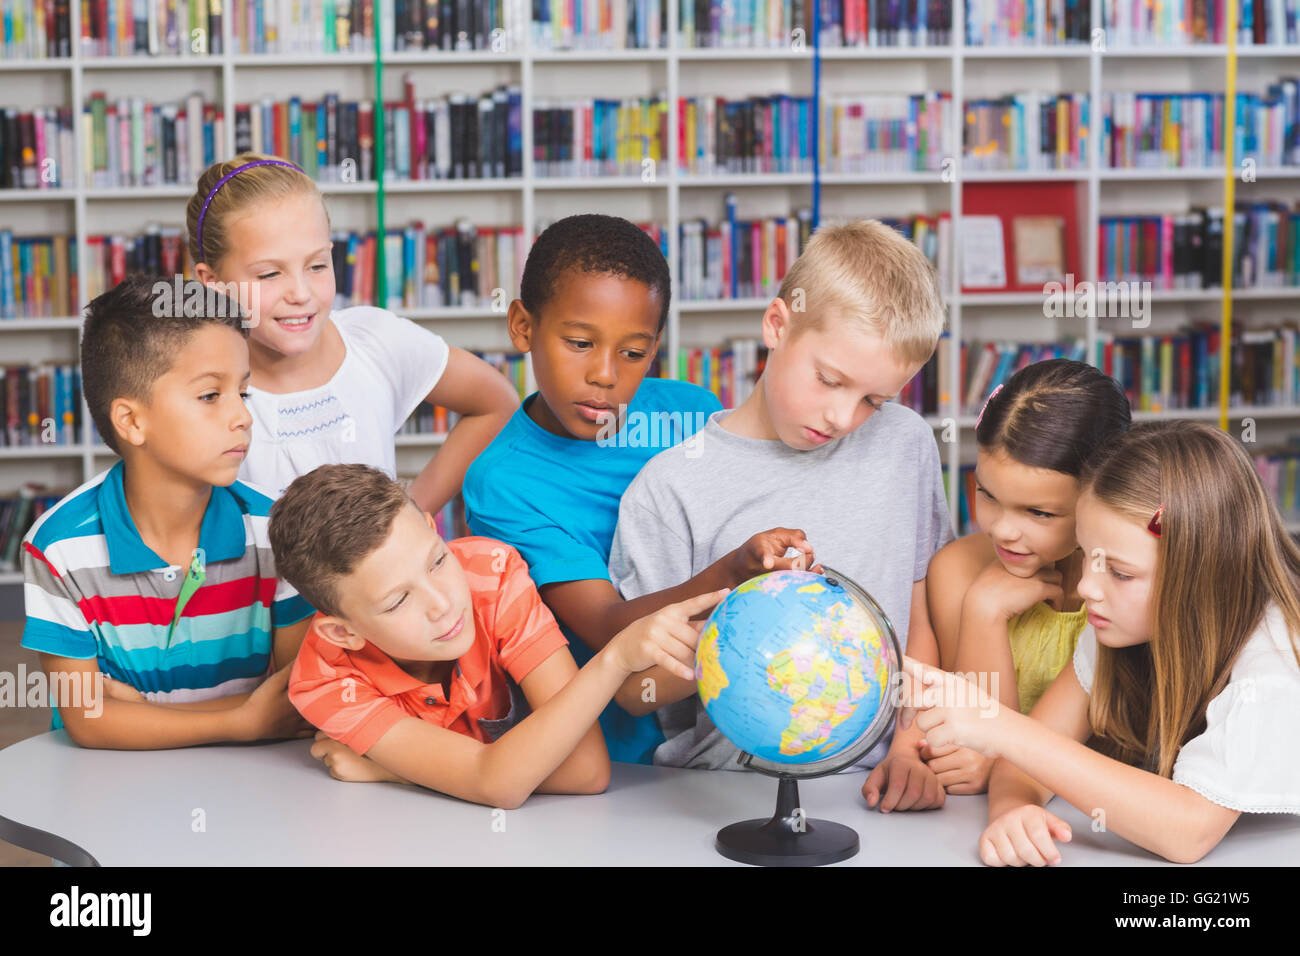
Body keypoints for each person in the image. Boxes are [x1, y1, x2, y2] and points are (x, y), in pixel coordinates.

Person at [609, 219, 963, 812]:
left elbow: (919, 614)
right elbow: (634, 690)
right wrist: (738, 620)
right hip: (724, 795)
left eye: (875, 399)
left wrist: (911, 744)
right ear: (777, 324)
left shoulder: (905, 444)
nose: (844, 416)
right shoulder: (669, 489)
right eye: (829, 380)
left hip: (874, 791)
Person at [463, 213, 798, 765]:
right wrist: (735, 571)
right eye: (578, 342)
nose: (604, 374)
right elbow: (606, 625)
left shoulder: (692, 412)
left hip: (736, 735)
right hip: (617, 758)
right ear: (523, 326)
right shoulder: (502, 483)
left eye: (633, 352)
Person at [903, 421, 1300, 864]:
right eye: (1087, 556)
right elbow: (1030, 758)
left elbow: (1188, 832)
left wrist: (998, 725)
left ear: (1205, 574)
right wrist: (1016, 811)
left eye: (1121, 573)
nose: (1088, 587)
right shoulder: (1120, 623)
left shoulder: (1274, 664)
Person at [271, 463, 727, 808]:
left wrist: (388, 771)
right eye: (398, 601)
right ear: (343, 632)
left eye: (437, 561)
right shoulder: (326, 680)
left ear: (434, 528)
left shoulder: (491, 574)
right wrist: (615, 660)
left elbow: (586, 771)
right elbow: (500, 785)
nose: (443, 603)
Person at [19, 274, 316, 748]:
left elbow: (297, 698)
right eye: (209, 395)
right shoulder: (58, 548)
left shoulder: (277, 528)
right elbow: (88, 721)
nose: (242, 416)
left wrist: (143, 711)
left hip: (259, 791)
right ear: (132, 421)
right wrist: (241, 720)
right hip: (110, 798)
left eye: (244, 392)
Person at [187, 153, 518, 504]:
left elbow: (496, 403)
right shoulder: (196, 387)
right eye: (270, 274)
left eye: (316, 265)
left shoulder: (376, 343)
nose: (301, 294)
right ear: (213, 283)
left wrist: (414, 511)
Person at [924, 358, 1131, 792]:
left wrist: (1002, 764)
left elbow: (1119, 747)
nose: (1002, 529)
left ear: (1101, 495)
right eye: (988, 494)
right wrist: (983, 612)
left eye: (1039, 512)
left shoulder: (1133, 585)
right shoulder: (956, 571)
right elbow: (973, 738)